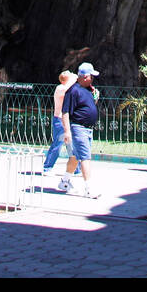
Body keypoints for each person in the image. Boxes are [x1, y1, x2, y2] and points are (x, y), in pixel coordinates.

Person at [59, 61, 100, 198]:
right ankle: (89, 188)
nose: (93, 79)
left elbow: (89, 106)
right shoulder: (73, 91)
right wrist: (67, 131)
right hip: (78, 128)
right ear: (84, 77)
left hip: (88, 129)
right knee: (85, 157)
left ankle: (64, 181)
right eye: (91, 76)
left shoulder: (88, 90)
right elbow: (65, 112)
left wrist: (95, 98)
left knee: (76, 157)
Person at [42, 70, 76, 175]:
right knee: (57, 144)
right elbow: (67, 89)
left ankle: (76, 168)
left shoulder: (70, 89)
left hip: (66, 120)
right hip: (59, 120)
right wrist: (74, 78)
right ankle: (47, 167)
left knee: (71, 145)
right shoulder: (60, 88)